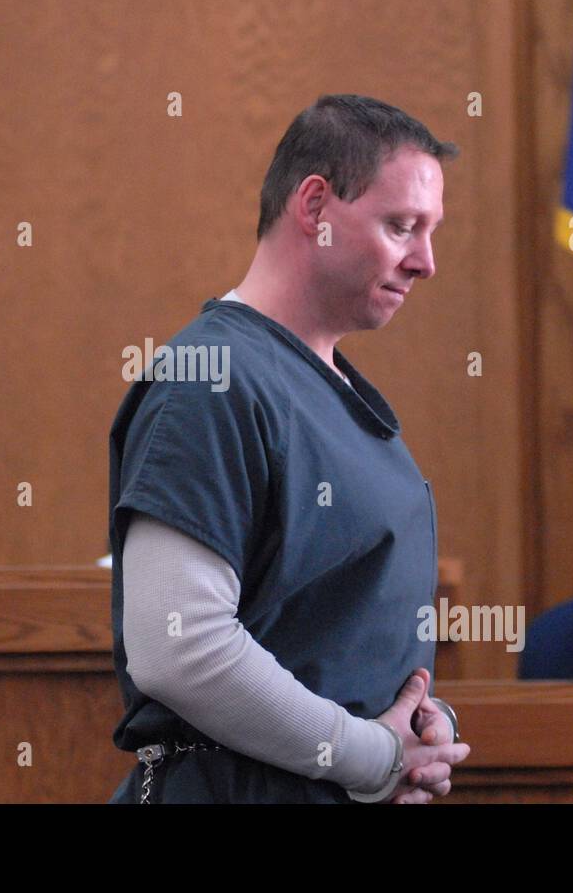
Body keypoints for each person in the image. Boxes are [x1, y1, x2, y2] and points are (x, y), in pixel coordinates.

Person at [106, 94, 470, 803]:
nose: (425, 261)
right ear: (315, 207)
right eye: (401, 226)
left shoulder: (319, 382)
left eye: (431, 232)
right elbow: (177, 646)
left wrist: (419, 730)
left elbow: (327, 634)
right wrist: (371, 754)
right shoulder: (210, 379)